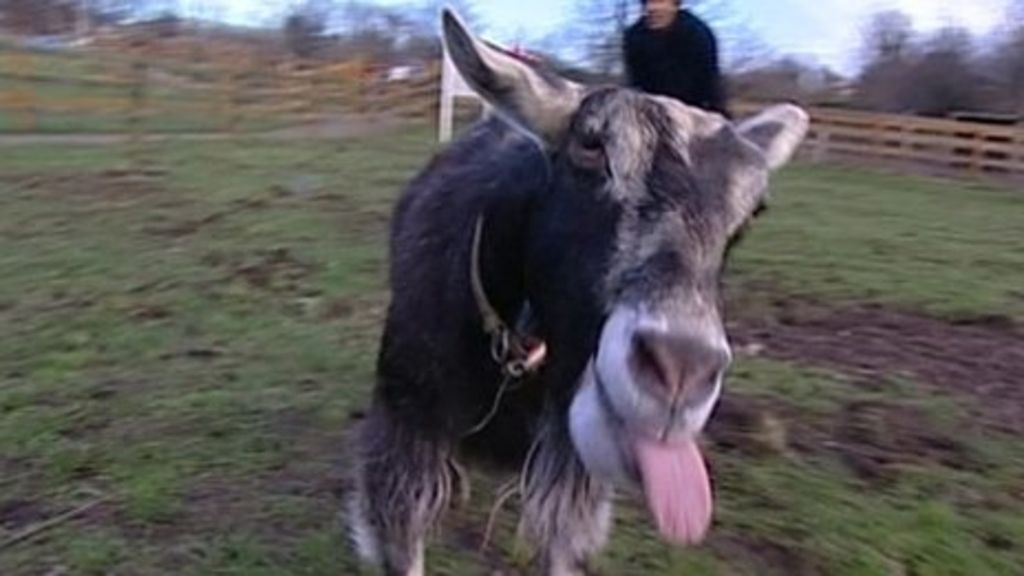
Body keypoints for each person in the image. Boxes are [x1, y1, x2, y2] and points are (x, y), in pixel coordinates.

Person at [624, 0, 729, 117]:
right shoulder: (634, 37)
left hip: (693, 110)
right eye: (647, 3)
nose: (651, 8)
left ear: (675, 5)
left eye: (659, 2)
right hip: (651, 111)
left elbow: (709, 83)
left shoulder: (697, 33)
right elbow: (636, 84)